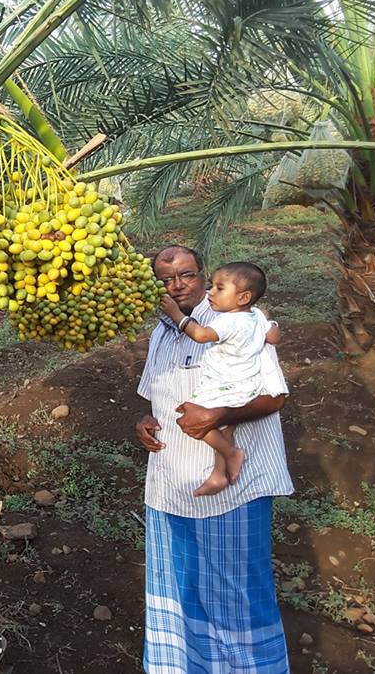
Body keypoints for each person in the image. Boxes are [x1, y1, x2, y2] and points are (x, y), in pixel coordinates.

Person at [135, 245, 294, 674]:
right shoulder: (161, 333)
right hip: (170, 487)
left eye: (185, 275)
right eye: (166, 279)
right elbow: (156, 396)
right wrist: (146, 420)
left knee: (236, 598)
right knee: (177, 592)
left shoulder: (238, 324)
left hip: (234, 493)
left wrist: (220, 414)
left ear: (204, 277)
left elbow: (276, 396)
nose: (176, 285)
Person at [159, 261, 282, 497]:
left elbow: (201, 335)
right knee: (224, 427)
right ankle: (219, 474)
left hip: (224, 385)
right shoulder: (255, 315)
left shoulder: (229, 320)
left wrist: (176, 315)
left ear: (244, 297)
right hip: (246, 384)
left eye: (219, 288)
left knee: (194, 419)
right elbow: (274, 337)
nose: (210, 293)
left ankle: (230, 453)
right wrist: (270, 322)